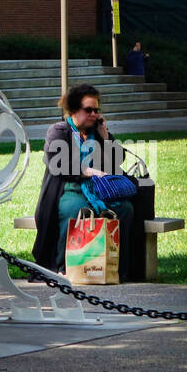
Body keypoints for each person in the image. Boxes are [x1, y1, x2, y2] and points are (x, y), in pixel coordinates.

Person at [32, 83, 138, 282]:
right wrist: (88, 171)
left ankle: (115, 268)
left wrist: (106, 136)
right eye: (88, 110)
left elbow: (117, 160)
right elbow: (57, 162)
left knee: (125, 209)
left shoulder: (96, 132)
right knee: (77, 210)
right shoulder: (59, 131)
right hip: (68, 189)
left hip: (99, 191)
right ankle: (63, 267)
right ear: (73, 110)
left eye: (96, 110)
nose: (93, 114)